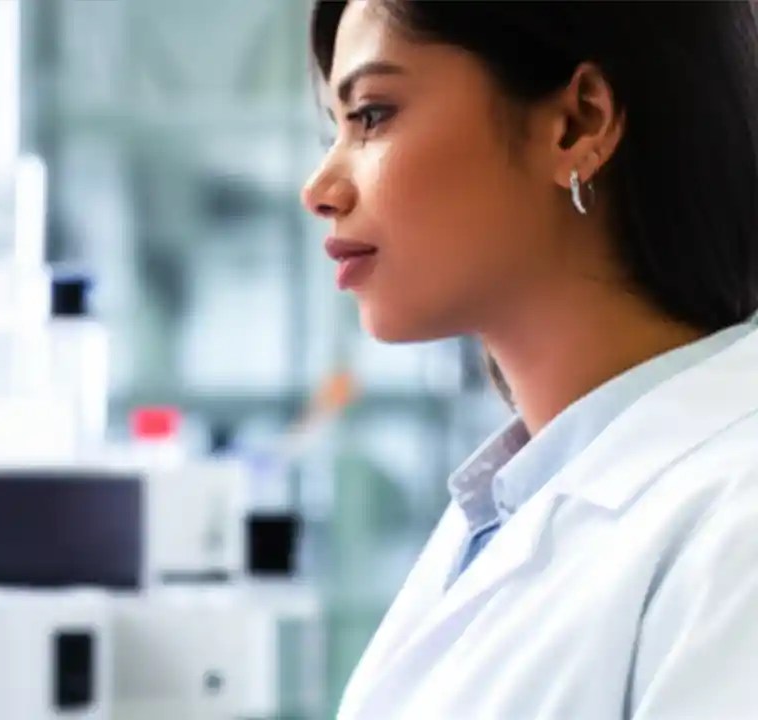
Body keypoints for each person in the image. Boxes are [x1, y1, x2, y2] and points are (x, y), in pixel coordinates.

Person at [301, 1, 758, 718]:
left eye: (372, 116)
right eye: (336, 127)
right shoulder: (504, 509)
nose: (320, 190)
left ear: (577, 123)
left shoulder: (735, 525)